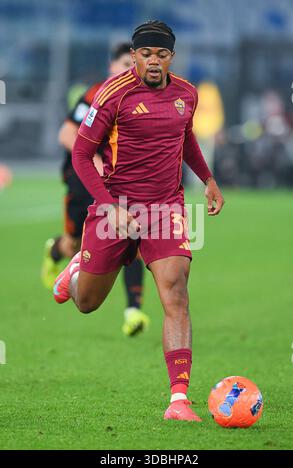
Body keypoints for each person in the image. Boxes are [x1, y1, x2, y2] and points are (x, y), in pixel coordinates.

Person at [53, 20, 224, 421]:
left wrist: (209, 179)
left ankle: (178, 400)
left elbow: (185, 138)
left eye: (161, 55)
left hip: (166, 208)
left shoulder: (187, 94)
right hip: (116, 208)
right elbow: (81, 154)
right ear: (134, 56)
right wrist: (109, 205)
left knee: (176, 293)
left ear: (171, 58)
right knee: (88, 303)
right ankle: (76, 271)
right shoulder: (112, 94)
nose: (153, 61)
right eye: (146, 54)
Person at [41, 43, 149, 336]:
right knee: (75, 244)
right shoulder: (96, 93)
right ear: (111, 66)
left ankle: (133, 311)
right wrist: (98, 162)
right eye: (126, 62)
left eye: (135, 63)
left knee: (131, 236)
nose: (131, 69)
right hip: (83, 178)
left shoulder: (142, 99)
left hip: (115, 184)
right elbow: (66, 133)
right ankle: (57, 250)